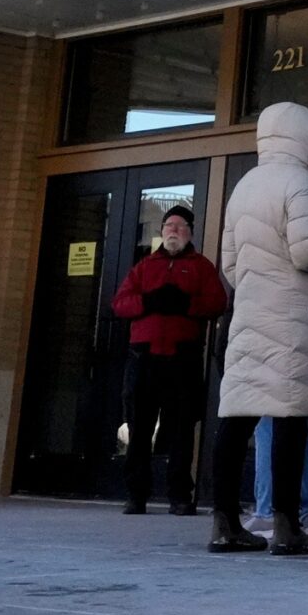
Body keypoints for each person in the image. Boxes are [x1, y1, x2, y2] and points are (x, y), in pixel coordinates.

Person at [210, 103, 308, 555]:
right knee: (290, 418)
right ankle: (286, 525)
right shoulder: (299, 183)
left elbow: (229, 263)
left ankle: (223, 521)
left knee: (237, 418)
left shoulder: (243, 185)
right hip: (291, 315)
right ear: (302, 137)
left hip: (248, 314)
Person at [110, 204, 228, 516]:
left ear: (189, 232)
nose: (173, 230)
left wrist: (187, 304)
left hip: (182, 357)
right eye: (168, 226)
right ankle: (136, 495)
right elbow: (120, 304)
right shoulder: (144, 267)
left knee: (181, 430)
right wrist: (148, 301)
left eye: (179, 226)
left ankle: (179, 495)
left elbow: (217, 302)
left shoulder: (201, 267)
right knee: (140, 429)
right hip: (144, 356)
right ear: (161, 232)